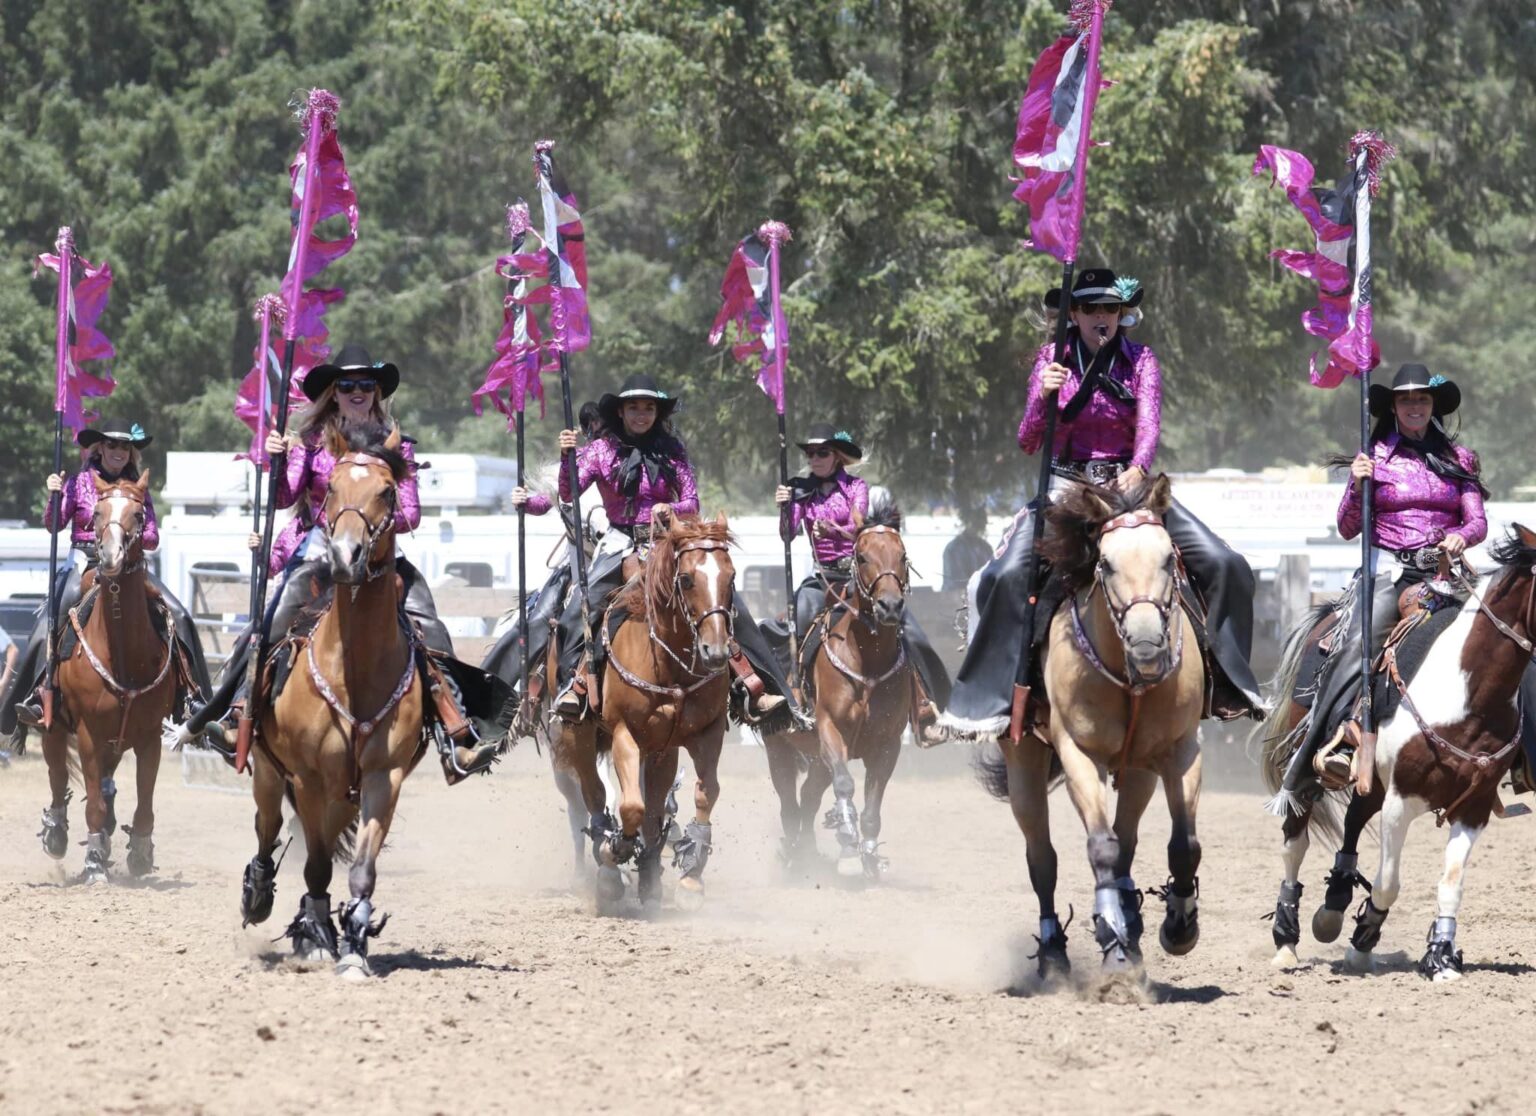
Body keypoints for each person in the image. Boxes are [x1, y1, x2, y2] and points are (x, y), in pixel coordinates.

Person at [941, 268, 1264, 738]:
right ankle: (990, 701)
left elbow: (1149, 421)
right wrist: (1043, 399)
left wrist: (1139, 465)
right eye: (1090, 308)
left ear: (1121, 314)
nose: (1101, 317)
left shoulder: (1141, 359)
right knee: (1003, 576)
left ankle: (1228, 684)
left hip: (1130, 488)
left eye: (1110, 309)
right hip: (1064, 491)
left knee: (1225, 563)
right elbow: (1029, 441)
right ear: (1073, 314)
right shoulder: (1050, 360)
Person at [186, 344, 500, 784]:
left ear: (376, 392)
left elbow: (410, 514)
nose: (357, 392)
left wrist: (376, 516)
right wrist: (276, 459)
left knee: (434, 631)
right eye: (348, 385)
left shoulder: (397, 445)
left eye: (366, 385)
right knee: (270, 624)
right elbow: (281, 498)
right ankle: (237, 709)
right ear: (333, 393)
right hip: (320, 549)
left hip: (381, 553)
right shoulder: (310, 443)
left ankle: (456, 736)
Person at [522, 373, 791, 724]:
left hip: (668, 540)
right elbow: (569, 493)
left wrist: (671, 510)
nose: (641, 414)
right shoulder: (601, 450)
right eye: (633, 407)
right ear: (620, 412)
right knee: (581, 605)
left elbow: (692, 501)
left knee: (724, 598)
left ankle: (757, 686)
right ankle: (574, 687)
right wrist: (566, 456)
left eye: (649, 408)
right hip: (619, 540)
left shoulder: (673, 449)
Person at [1276, 364, 1487, 799]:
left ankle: (1514, 750)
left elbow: (1478, 522)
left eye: (1422, 399)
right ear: (1393, 406)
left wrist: (1459, 536)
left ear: (1433, 406)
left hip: (1447, 571)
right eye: (1406, 399)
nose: (1415, 406)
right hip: (1390, 571)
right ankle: (1333, 739)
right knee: (1357, 644)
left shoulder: (1458, 458)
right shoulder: (1372, 456)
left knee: (1509, 633)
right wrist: (1356, 485)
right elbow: (1348, 527)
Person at [1, 421, 211, 742]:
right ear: (99, 449)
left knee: (180, 615)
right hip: (85, 562)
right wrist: (54, 495)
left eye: (124, 447)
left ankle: (196, 700)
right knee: (49, 620)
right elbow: (53, 524)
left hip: (129, 565)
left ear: (130, 452)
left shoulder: (137, 486)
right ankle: (35, 694)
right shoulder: (78, 482)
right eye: (112, 446)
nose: (118, 452)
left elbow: (153, 537)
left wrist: (132, 530)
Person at [773, 423, 952, 741]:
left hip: (861, 577)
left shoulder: (856, 487)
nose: (814, 458)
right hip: (823, 577)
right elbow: (788, 534)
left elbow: (862, 530)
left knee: (907, 628)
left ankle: (924, 705)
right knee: (798, 618)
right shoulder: (799, 488)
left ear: (837, 456)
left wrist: (835, 531)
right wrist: (786, 507)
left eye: (822, 452)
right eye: (810, 452)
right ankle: (792, 700)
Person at [481, 400, 604, 715]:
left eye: (604, 425)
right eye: (592, 426)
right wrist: (524, 501)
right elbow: (545, 500)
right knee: (535, 621)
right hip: (579, 567)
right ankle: (492, 706)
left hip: (625, 556)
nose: (598, 432)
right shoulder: (577, 465)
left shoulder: (627, 461)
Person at [943, 505, 993, 591]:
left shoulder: (986, 548)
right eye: (975, 523)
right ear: (966, 522)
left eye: (981, 524)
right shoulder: (953, 548)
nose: (978, 528)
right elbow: (955, 582)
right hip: (956, 598)